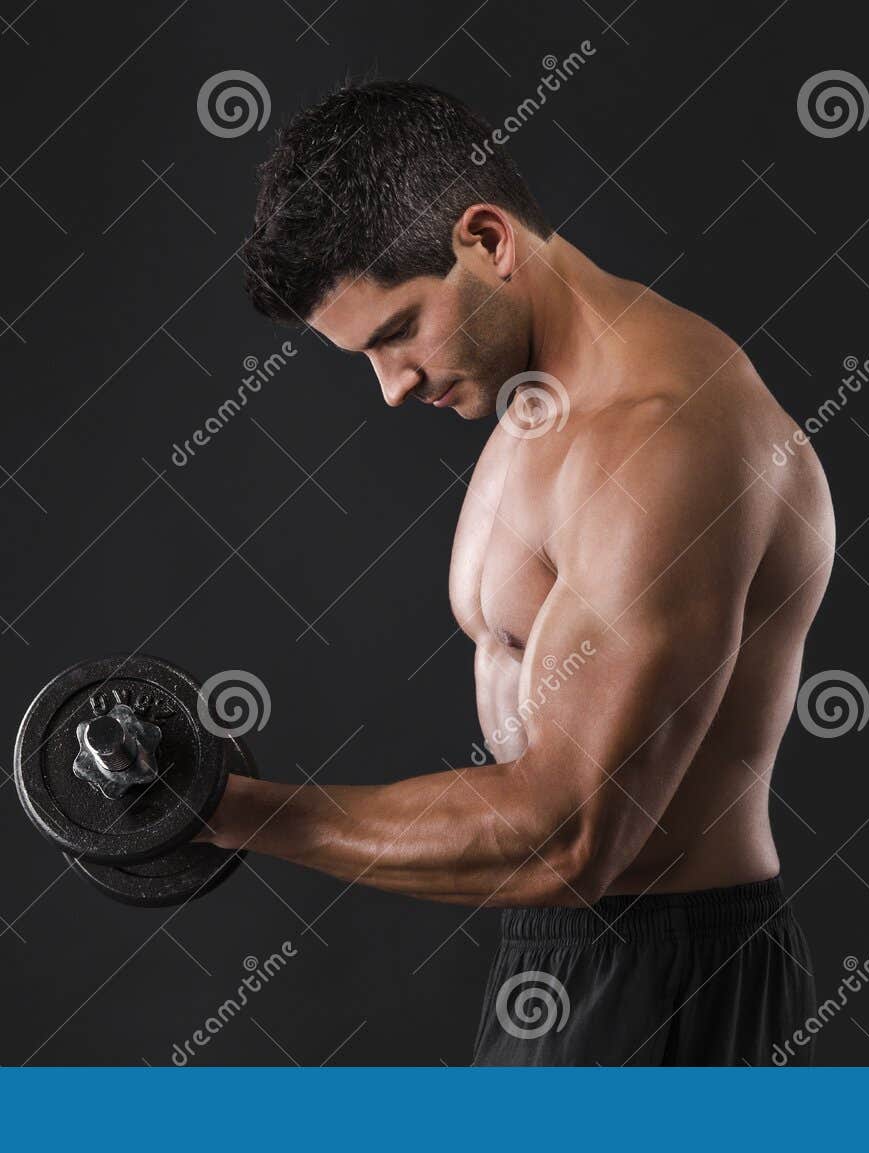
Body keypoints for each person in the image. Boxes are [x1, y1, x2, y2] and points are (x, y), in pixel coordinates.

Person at [206, 80, 833, 1065]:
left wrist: (236, 811)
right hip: (564, 953)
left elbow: (572, 834)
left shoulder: (662, 435)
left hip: (669, 984)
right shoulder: (538, 403)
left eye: (396, 331)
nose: (392, 386)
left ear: (488, 241)